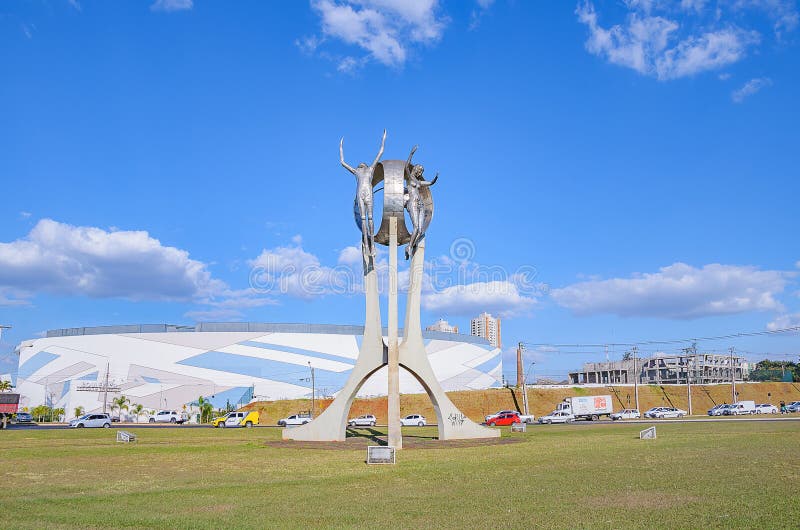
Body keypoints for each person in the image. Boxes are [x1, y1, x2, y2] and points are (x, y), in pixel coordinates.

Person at [340, 130, 386, 263]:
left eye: (362, 164)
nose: (360, 165)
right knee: (363, 219)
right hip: (360, 193)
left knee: (370, 218)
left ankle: (373, 245)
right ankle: (366, 244)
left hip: (368, 193)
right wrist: (341, 148)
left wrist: (383, 139)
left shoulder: (370, 169)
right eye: (359, 165)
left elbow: (380, 152)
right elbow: (342, 162)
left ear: (366, 166)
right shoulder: (356, 172)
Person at [403, 145, 438, 260]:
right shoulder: (409, 178)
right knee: (416, 227)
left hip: (420, 204)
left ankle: (410, 246)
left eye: (421, 172)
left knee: (420, 230)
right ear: (416, 169)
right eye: (420, 171)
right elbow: (406, 166)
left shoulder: (418, 182)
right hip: (412, 202)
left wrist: (435, 178)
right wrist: (411, 153)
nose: (420, 173)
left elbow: (430, 183)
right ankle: (409, 247)